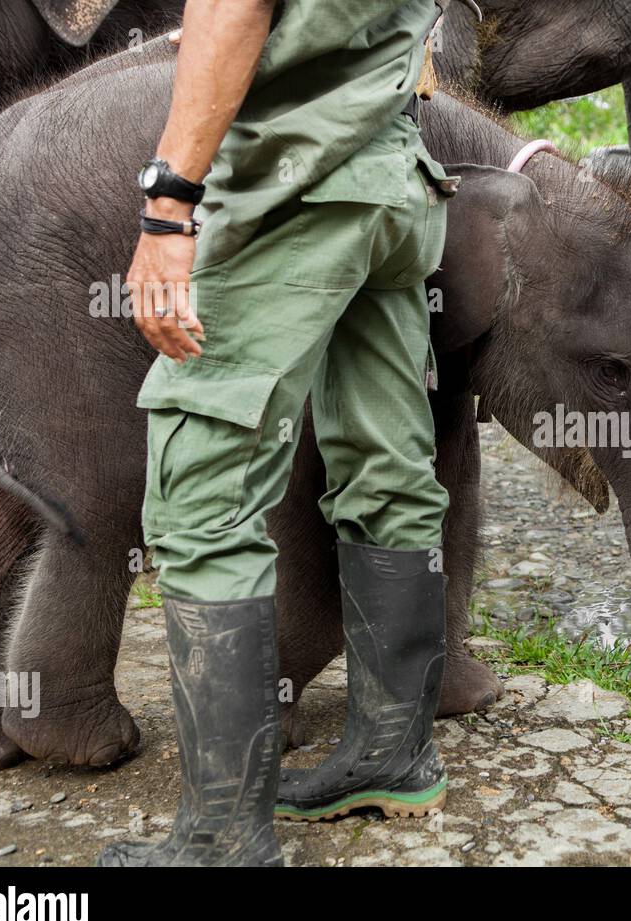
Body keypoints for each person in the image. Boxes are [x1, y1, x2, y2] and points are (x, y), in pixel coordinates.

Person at [101, 0, 455, 867]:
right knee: (389, 469)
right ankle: (394, 753)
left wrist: (168, 206)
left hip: (297, 185)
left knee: (203, 498)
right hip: (392, 180)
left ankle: (224, 840)